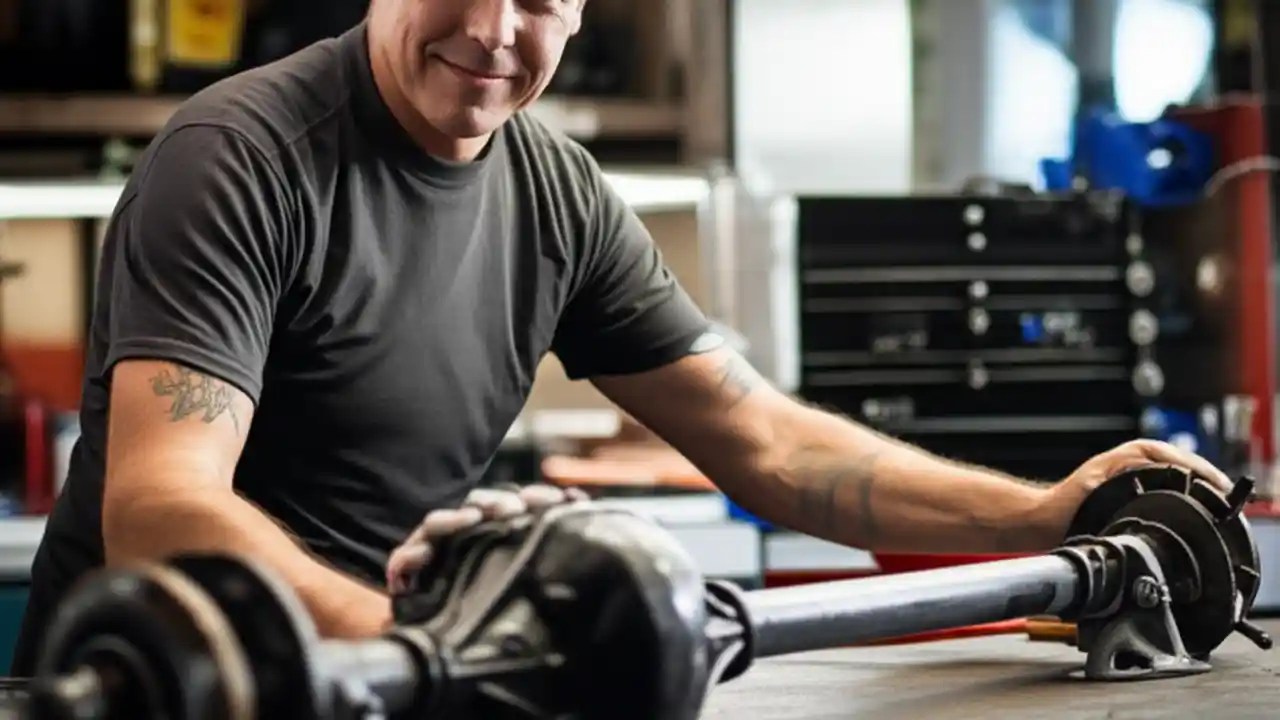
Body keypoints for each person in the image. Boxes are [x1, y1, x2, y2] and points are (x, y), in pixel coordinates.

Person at [12, 0, 1233, 674]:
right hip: (161, 680)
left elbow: (763, 444)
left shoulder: (554, 191)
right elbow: (162, 510)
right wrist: (445, 649)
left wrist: (1046, 514)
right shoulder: (242, 160)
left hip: (399, 682)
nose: (494, 30)